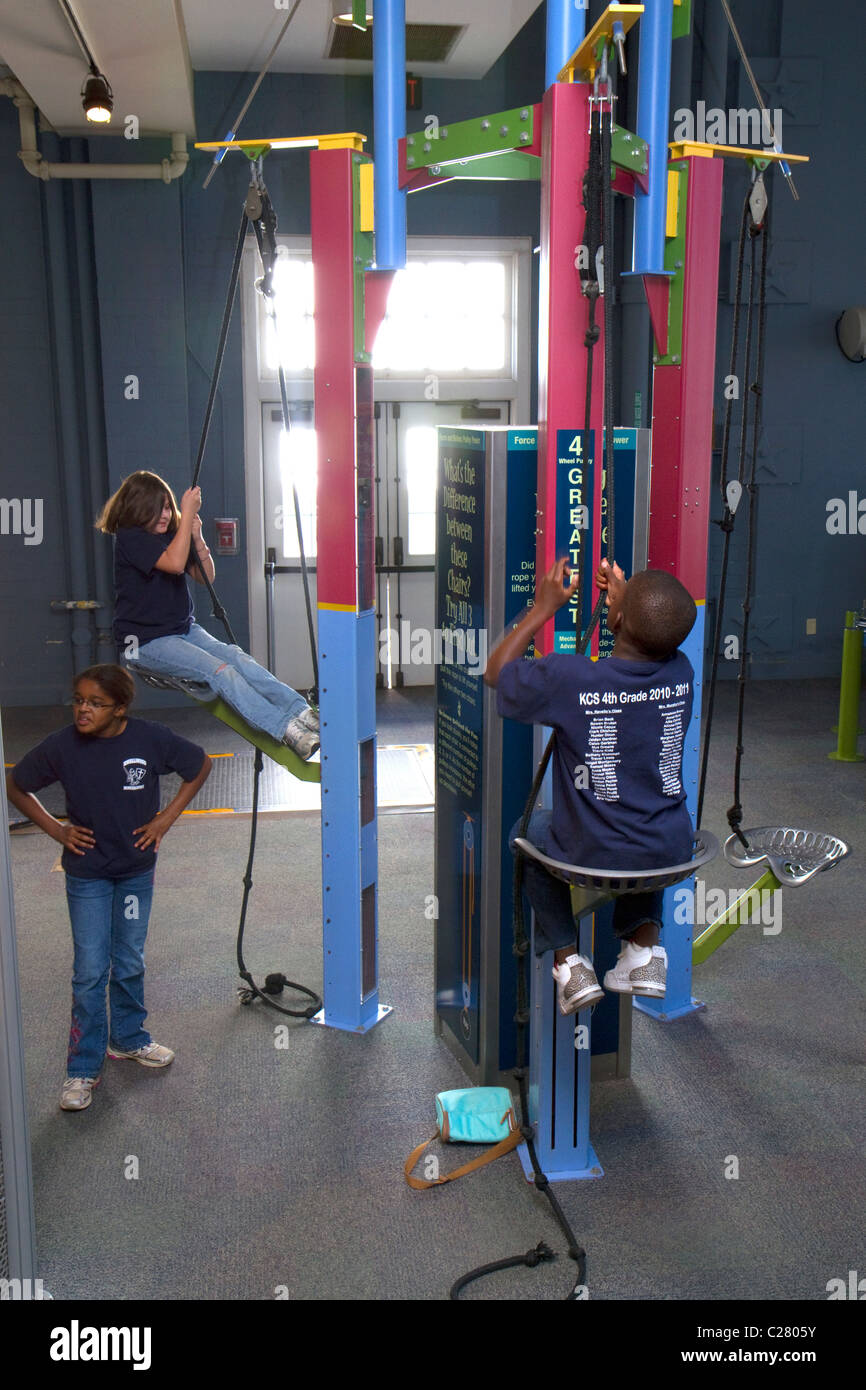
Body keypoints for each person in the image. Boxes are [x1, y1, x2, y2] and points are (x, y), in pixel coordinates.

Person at [484, 556, 697, 1015]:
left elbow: (495, 673)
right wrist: (624, 596)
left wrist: (543, 609)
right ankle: (642, 951)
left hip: (590, 853)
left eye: (619, 600)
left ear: (616, 619)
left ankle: (569, 962)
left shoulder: (570, 678)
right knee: (648, 823)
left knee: (524, 834)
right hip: (670, 851)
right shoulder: (681, 672)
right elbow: (652, 629)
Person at [5, 664, 212, 1111]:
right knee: (90, 971)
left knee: (129, 959)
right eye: (78, 700)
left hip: (136, 870)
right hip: (87, 875)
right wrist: (57, 831)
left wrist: (165, 819)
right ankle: (82, 1067)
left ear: (120, 709)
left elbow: (199, 764)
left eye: (95, 703)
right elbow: (17, 785)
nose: (83, 709)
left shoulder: (150, 739)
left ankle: (130, 1038)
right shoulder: (62, 746)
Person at [95, 470, 319, 760]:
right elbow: (175, 565)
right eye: (156, 509)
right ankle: (287, 730)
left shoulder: (172, 537)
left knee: (238, 657)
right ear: (138, 510)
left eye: (167, 507)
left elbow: (206, 576)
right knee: (220, 672)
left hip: (181, 630)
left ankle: (300, 712)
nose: (165, 515)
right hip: (143, 642)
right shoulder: (132, 538)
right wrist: (186, 514)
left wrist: (196, 536)